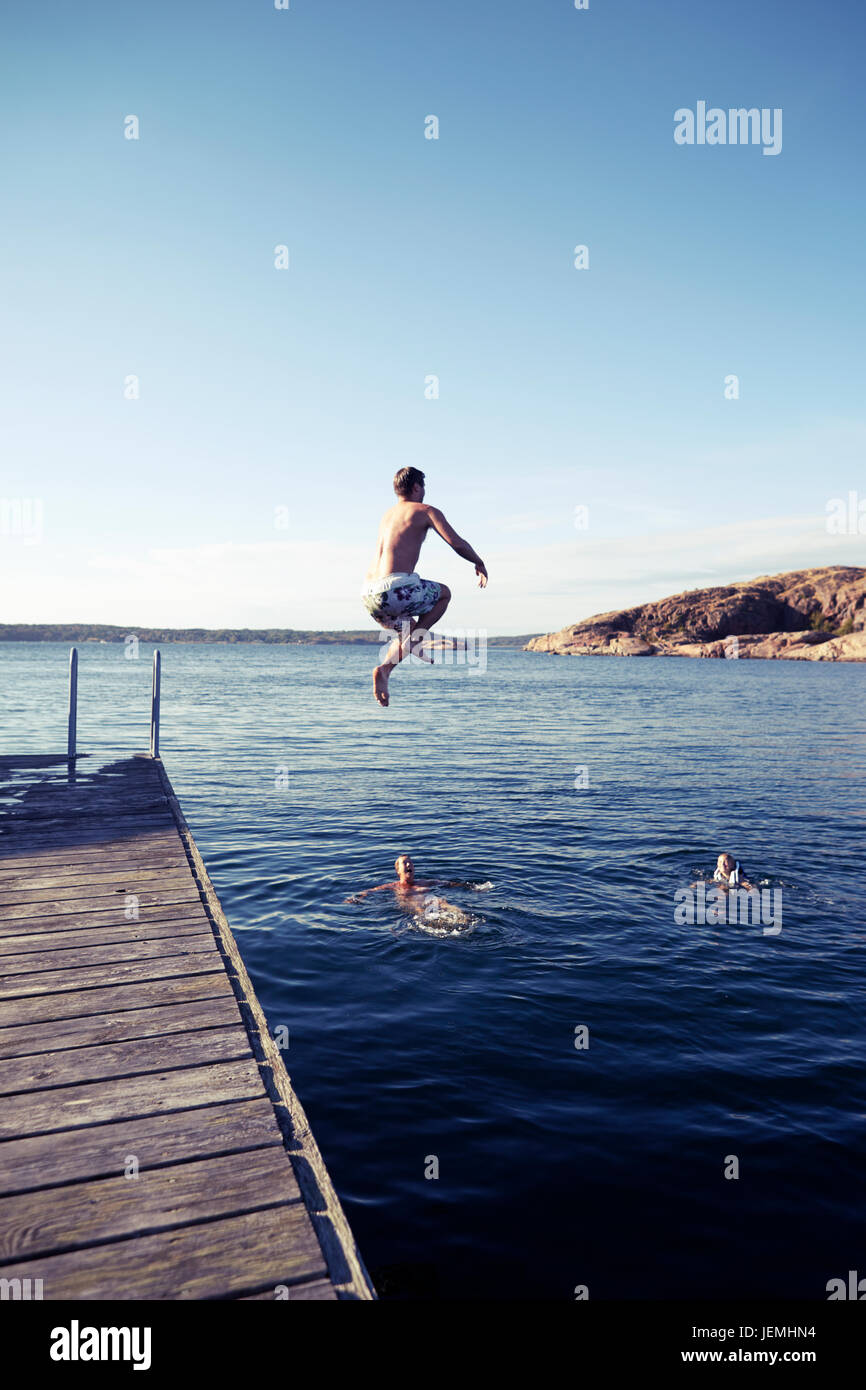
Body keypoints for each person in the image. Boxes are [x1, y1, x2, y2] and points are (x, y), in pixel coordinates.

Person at [361, 467, 488, 707]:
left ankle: (385, 671)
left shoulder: (387, 515)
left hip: (369, 595)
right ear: (417, 487)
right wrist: (478, 562)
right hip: (395, 588)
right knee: (444, 594)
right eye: (424, 487)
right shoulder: (425, 511)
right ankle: (418, 640)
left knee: (406, 635)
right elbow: (457, 543)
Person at [345, 854, 465, 909]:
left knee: (442, 901)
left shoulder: (425, 882)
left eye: (411, 862)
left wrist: (471, 887)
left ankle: (462, 917)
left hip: (430, 901)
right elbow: (370, 891)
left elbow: (447, 883)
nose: (409, 864)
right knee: (414, 905)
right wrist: (356, 898)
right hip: (414, 906)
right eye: (405, 863)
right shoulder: (393, 886)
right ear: (398, 871)